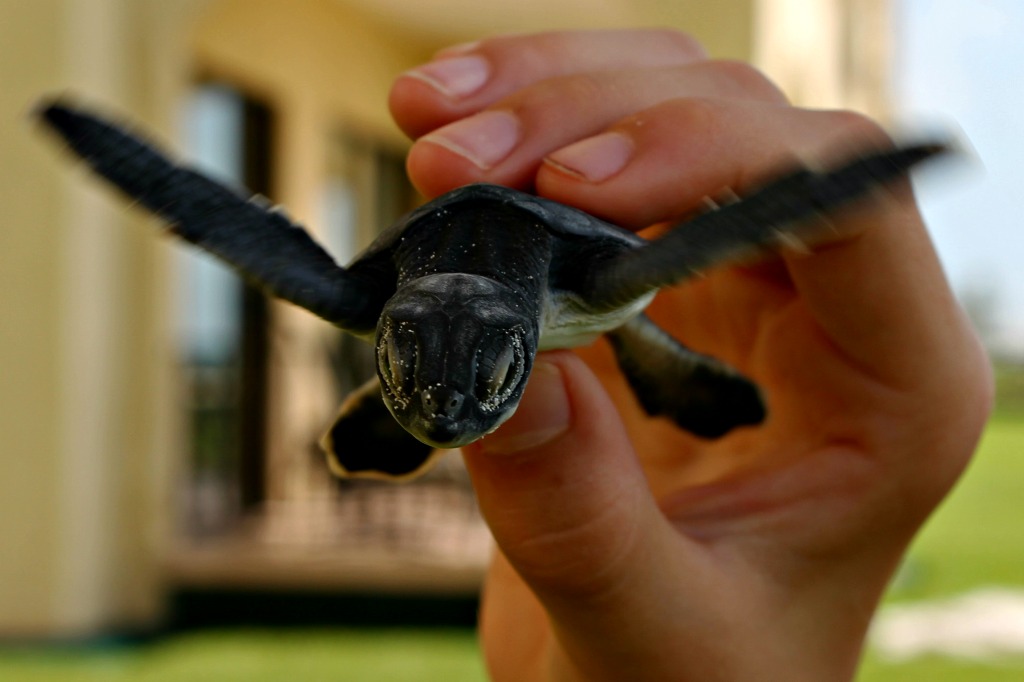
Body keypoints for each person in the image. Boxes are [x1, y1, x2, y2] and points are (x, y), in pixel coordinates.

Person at [388, 29, 992, 681]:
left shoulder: (595, 285)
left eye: (494, 368)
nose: (447, 406)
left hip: (578, 284)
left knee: (648, 313)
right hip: (559, 290)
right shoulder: (564, 293)